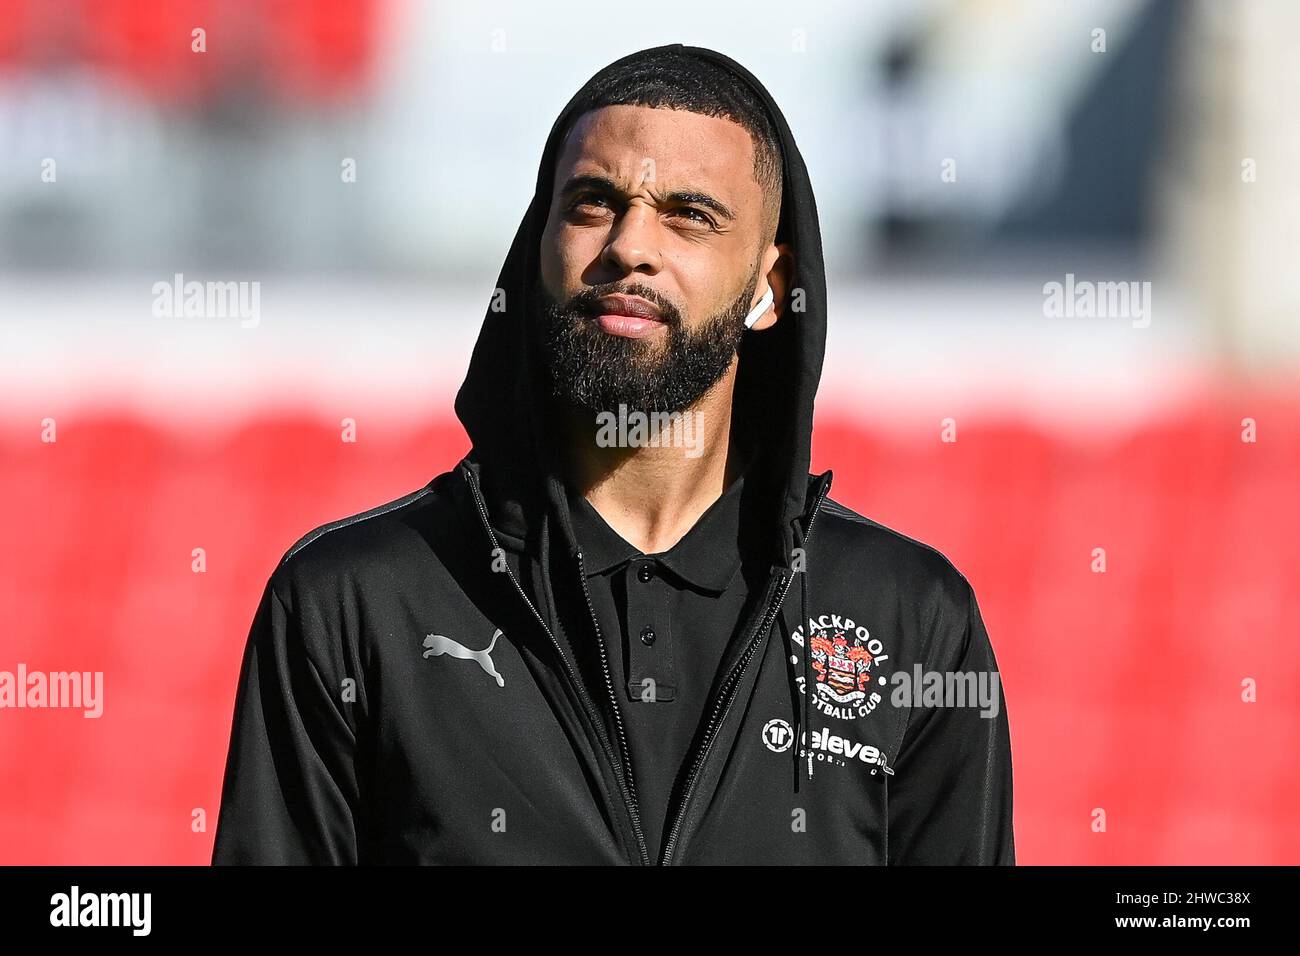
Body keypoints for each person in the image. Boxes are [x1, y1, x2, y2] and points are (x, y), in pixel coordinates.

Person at [211, 43, 1015, 865]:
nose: (631, 245)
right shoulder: (355, 602)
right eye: (594, 203)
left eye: (689, 214)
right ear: (538, 247)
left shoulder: (911, 618)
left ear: (771, 286)